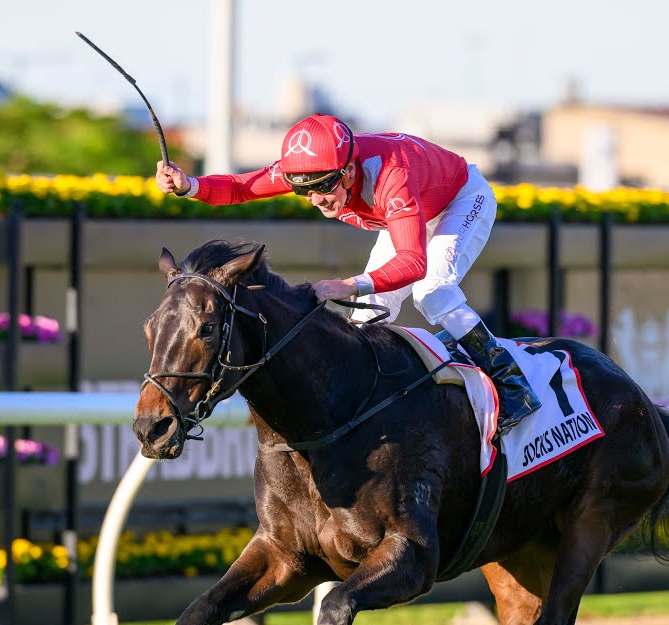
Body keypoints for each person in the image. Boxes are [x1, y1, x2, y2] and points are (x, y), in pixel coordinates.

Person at [155, 113, 541, 432]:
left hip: (460, 200)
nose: (317, 199)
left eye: (324, 186)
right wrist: (189, 185)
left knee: (431, 291)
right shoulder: (310, 164)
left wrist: (348, 283)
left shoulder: (392, 176)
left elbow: (413, 263)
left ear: (350, 168)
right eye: (303, 191)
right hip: (406, 216)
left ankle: (512, 383)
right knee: (365, 316)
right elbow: (241, 187)